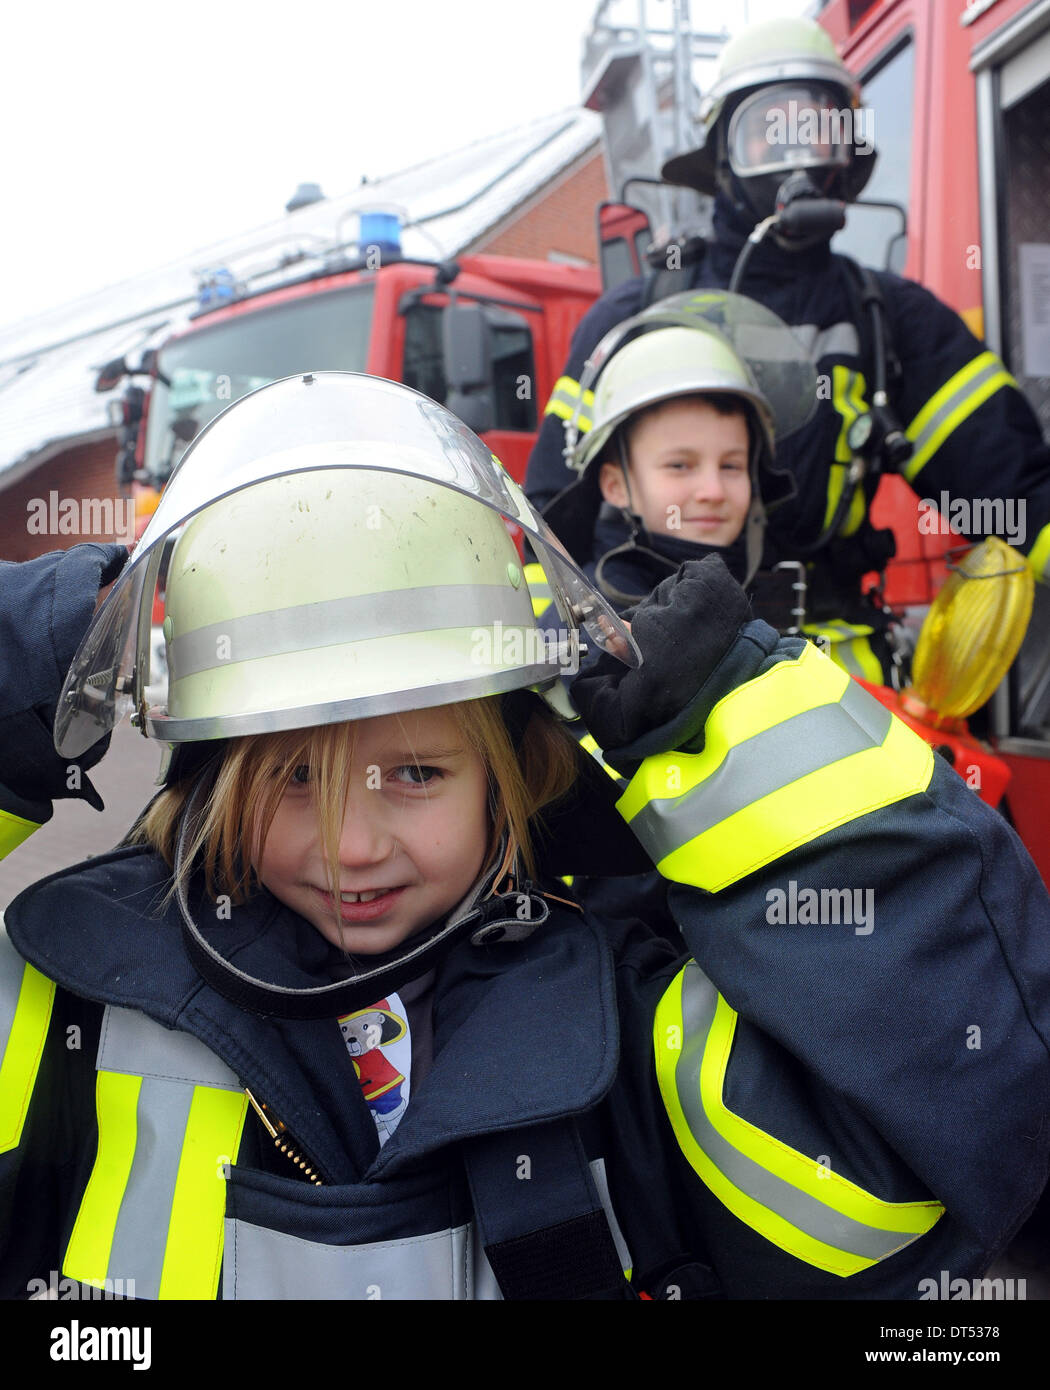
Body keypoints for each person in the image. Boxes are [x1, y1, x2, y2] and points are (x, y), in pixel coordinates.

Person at [1, 372, 1049, 1302]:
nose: (352, 846)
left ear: (516, 775)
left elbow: (942, 1139)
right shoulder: (68, 1013)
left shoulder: (632, 1021)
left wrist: (730, 717)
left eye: (416, 773)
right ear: (211, 777)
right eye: (289, 779)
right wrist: (32, 650)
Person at [526, 15, 1050, 683]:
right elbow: (549, 525)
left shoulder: (892, 319)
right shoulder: (632, 316)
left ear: (846, 160)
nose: (799, 160)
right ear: (723, 156)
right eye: (769, 135)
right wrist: (564, 687)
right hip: (657, 673)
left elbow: (1015, 493)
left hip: (837, 681)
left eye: (820, 133)